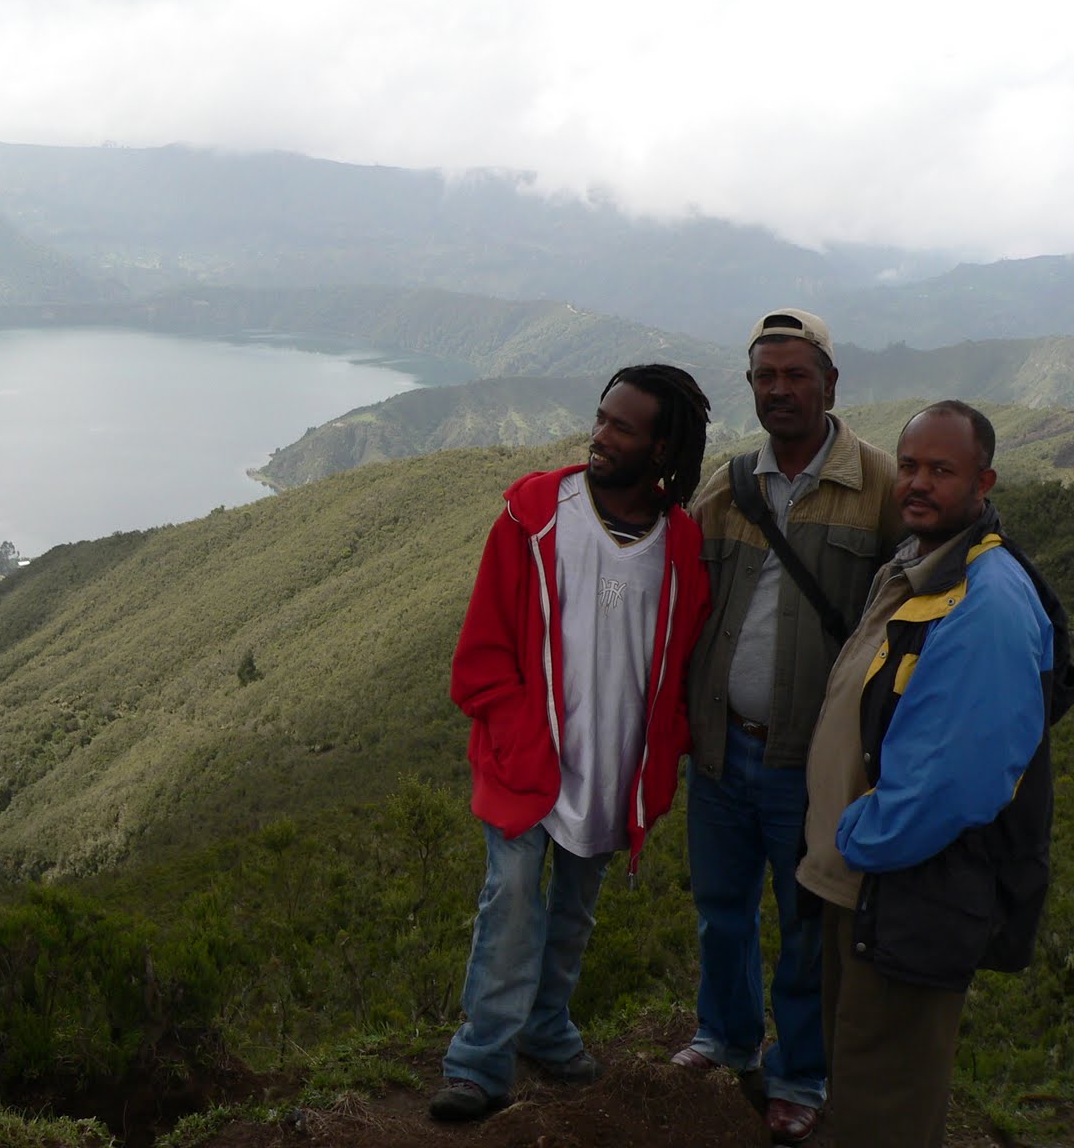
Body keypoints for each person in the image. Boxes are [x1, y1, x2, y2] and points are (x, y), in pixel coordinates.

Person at [429, 364, 713, 1121]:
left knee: (574, 913)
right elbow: (481, 655)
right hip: (526, 764)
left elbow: (678, 669)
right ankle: (479, 1062)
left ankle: (548, 1030)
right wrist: (520, 736)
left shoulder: (681, 547)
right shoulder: (534, 517)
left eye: (622, 426)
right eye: (601, 417)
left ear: (661, 450)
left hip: (613, 771)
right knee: (512, 902)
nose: (600, 435)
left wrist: (663, 754)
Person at [797, 402, 1068, 1148]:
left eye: (940, 470)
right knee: (859, 1076)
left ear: (982, 481)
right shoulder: (919, 566)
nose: (917, 483)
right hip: (862, 884)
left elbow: (961, 777)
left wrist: (861, 837)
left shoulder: (987, 601)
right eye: (909, 465)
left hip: (905, 888)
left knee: (883, 1101)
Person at [677, 309, 903, 1145]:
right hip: (721, 746)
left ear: (830, 384)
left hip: (812, 762)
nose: (779, 390)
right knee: (721, 909)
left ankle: (799, 1073)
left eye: (795, 374)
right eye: (765, 377)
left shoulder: (879, 483)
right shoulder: (728, 486)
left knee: (806, 923)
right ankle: (725, 1036)